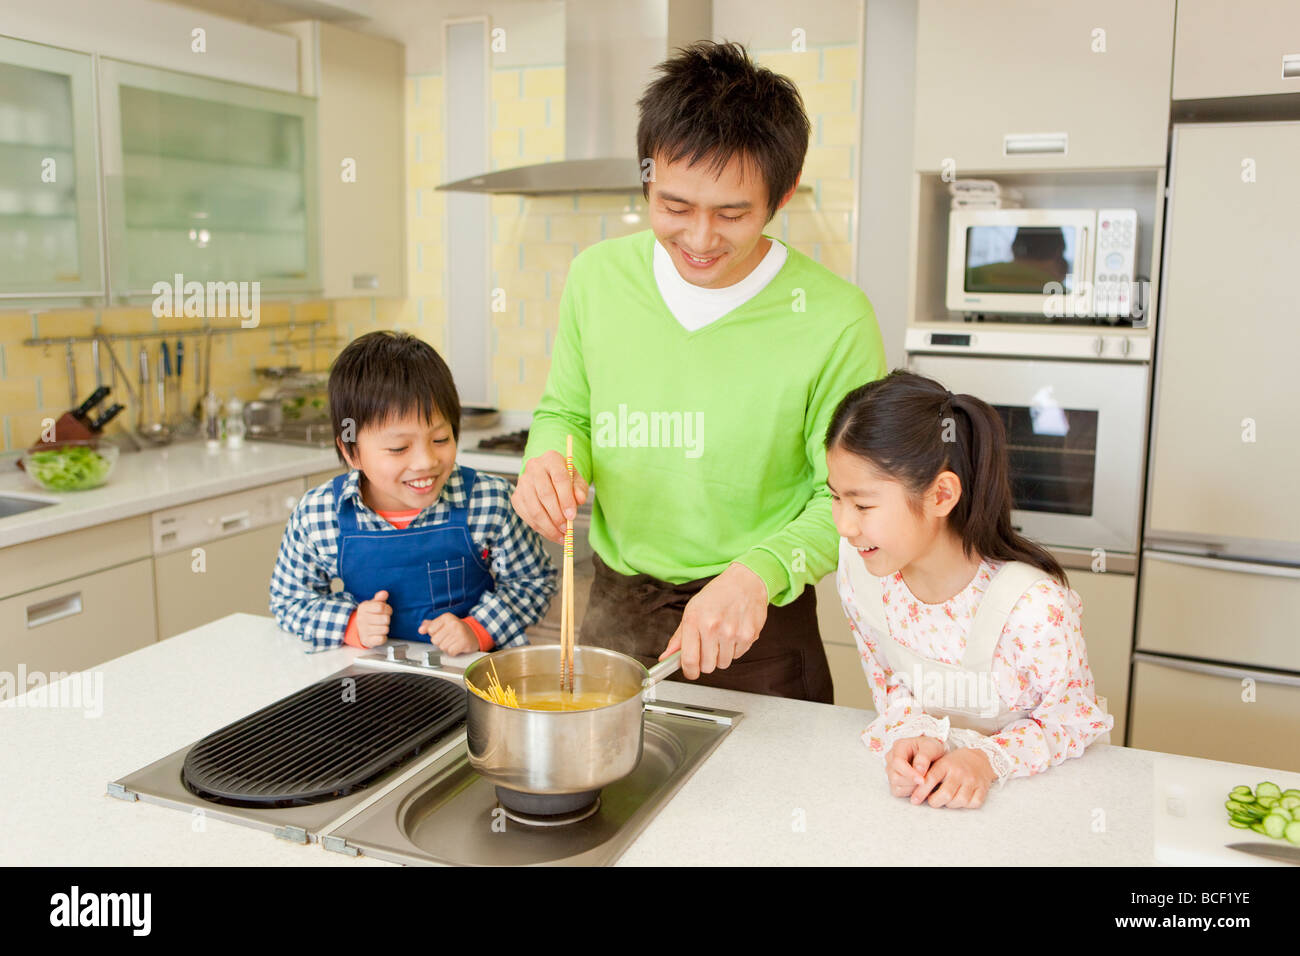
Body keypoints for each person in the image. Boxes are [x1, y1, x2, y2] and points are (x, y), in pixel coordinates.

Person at [511, 41, 887, 702]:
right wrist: (549, 459)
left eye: (733, 213)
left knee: (755, 803)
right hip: (617, 606)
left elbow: (852, 497)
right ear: (647, 178)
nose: (701, 239)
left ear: (782, 196)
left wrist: (757, 574)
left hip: (755, 616)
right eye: (675, 207)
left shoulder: (836, 318)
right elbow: (566, 413)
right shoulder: (596, 279)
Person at [826, 369, 1112, 809]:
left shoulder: (1033, 609)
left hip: (1039, 808)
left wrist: (985, 760)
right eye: (835, 498)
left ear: (941, 495)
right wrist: (912, 732)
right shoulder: (862, 572)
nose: (844, 525)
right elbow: (890, 682)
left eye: (862, 504)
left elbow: (1072, 720)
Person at [270, 331, 557, 652]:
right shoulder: (319, 513)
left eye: (440, 440)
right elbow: (290, 600)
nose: (426, 462)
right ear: (351, 452)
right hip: (368, 681)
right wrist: (350, 624)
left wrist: (477, 630)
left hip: (474, 679)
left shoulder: (490, 501)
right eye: (398, 448)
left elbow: (533, 583)